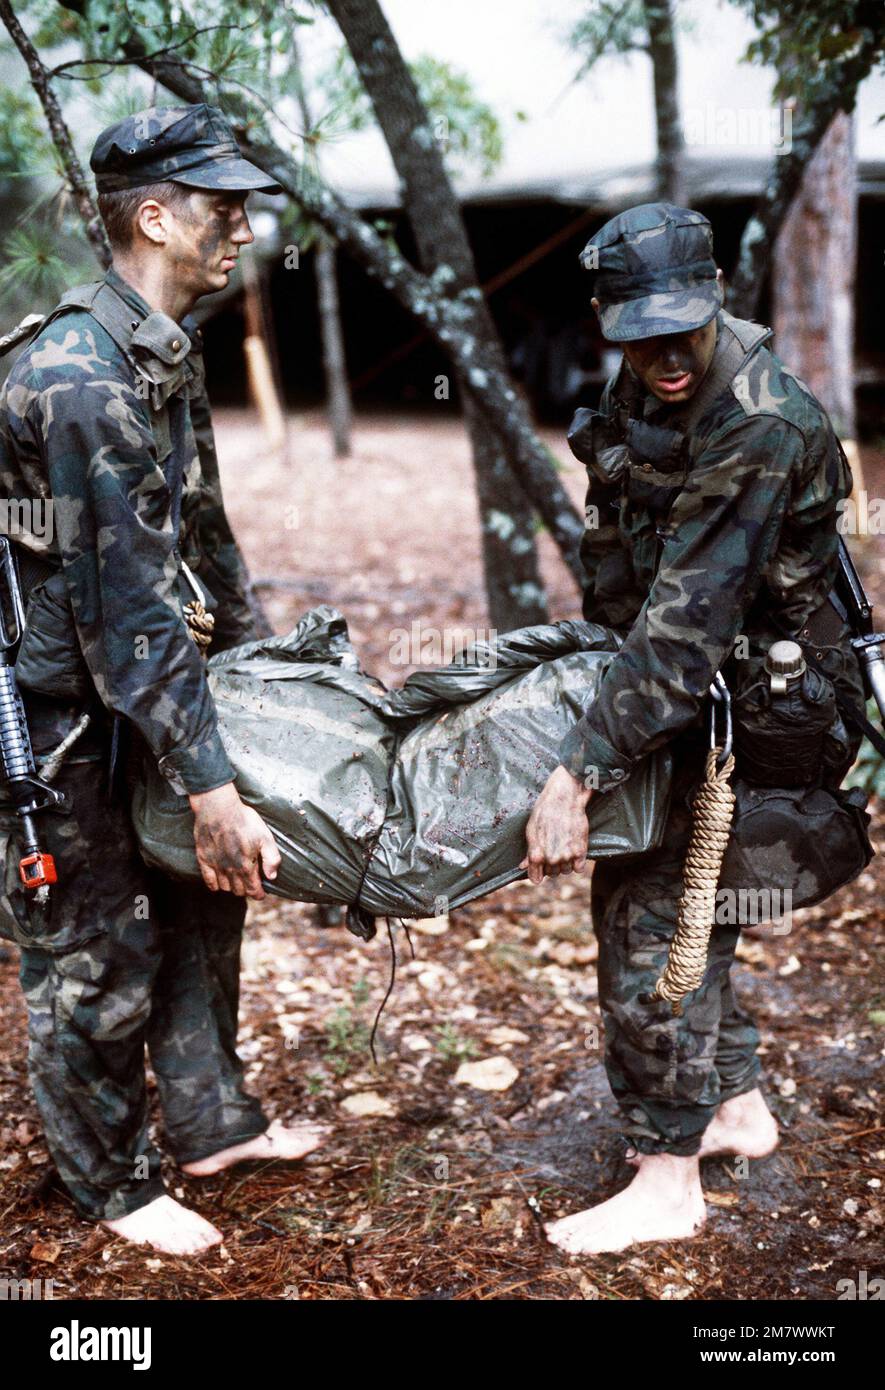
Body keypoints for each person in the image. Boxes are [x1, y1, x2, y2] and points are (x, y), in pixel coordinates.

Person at [0, 104, 327, 1256]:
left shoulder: (157, 348)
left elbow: (202, 537)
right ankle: (114, 1187)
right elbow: (122, 609)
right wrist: (211, 780)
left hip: (144, 691)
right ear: (154, 215)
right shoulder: (81, 377)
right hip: (60, 723)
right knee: (95, 947)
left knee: (194, 902)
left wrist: (252, 682)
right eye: (221, 206)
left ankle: (210, 1120)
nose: (241, 226)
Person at [520, 202, 866, 1254]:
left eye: (684, 325)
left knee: (651, 918)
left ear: (717, 297)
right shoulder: (639, 389)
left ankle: (666, 1177)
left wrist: (578, 771)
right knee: (686, 907)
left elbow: (685, 626)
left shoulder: (760, 421)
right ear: (606, 318)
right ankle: (734, 1107)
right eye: (640, 330)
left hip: (767, 707)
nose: (666, 352)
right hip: (702, 694)